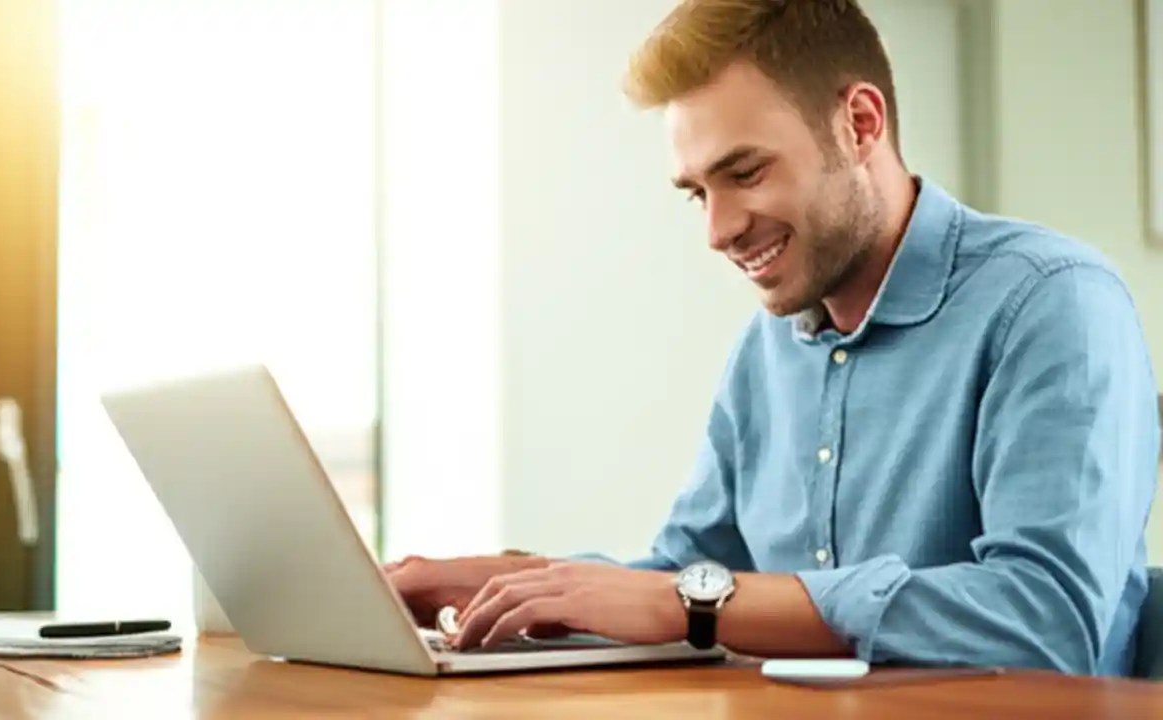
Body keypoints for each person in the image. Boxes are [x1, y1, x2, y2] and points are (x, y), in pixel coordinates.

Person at [386, 0, 1160, 675]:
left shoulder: (1051, 304)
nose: (719, 231)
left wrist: (689, 600)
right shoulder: (768, 350)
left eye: (746, 173)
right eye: (697, 194)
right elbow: (689, 579)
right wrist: (526, 586)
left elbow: (1045, 624)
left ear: (860, 124)